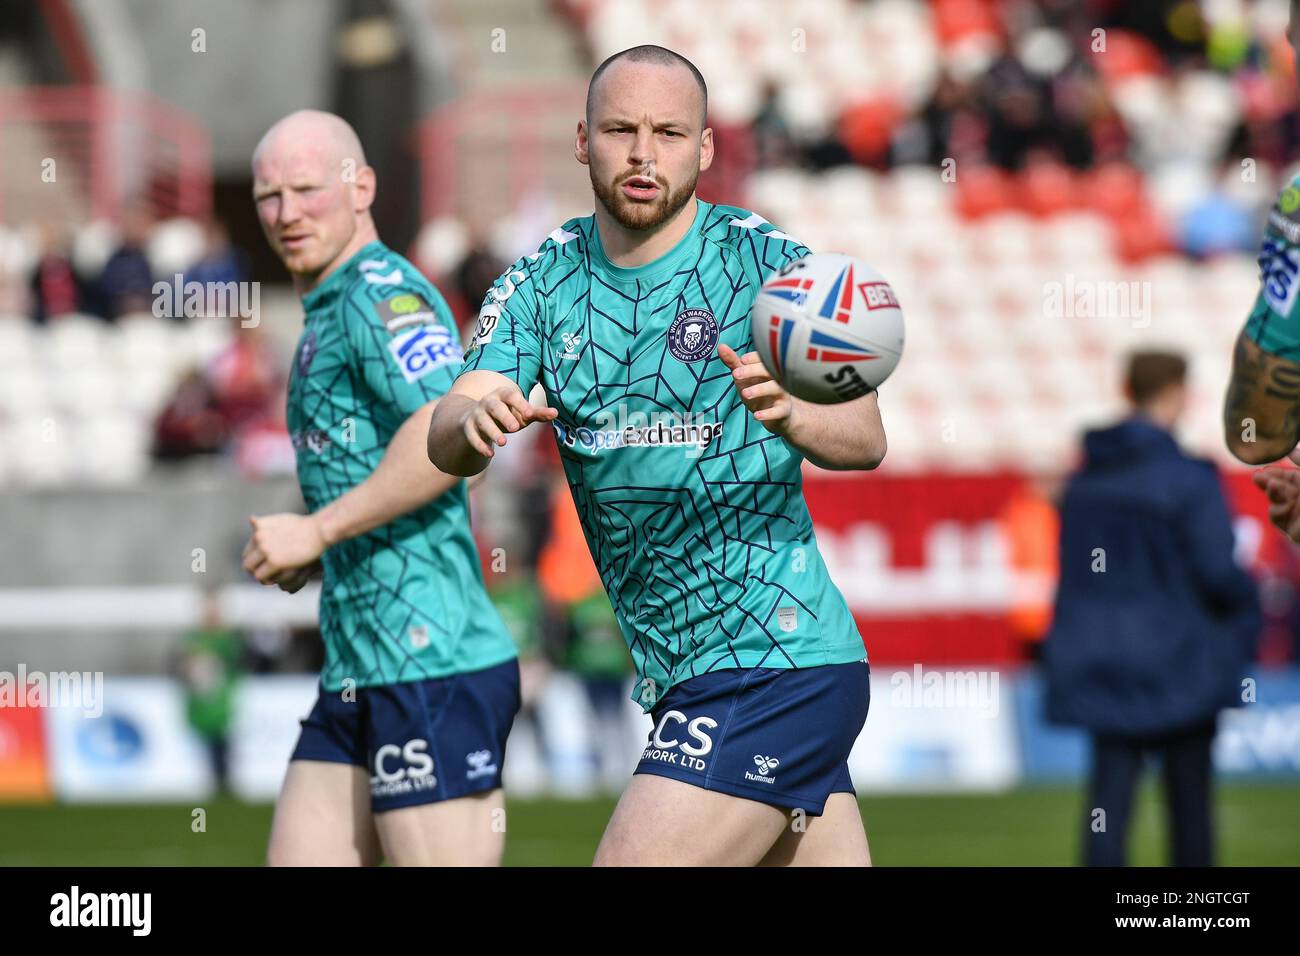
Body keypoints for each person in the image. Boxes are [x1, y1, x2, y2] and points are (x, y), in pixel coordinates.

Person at [427, 46, 887, 866]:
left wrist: (795, 417)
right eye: (621, 129)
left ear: (705, 149)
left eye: (670, 132)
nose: (644, 153)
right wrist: (474, 422)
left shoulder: (766, 266)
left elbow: (865, 437)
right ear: (582, 140)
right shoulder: (541, 280)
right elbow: (451, 425)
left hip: (773, 661)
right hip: (682, 677)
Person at [244, 110, 519, 866]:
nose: (286, 212)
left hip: (431, 663)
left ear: (361, 186)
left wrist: (319, 531)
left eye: (306, 188)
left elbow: (454, 434)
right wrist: (318, 546)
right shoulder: (330, 305)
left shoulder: (380, 296)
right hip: (359, 667)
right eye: (268, 195)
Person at [1046, 351, 1260, 866]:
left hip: (1102, 658)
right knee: (1189, 807)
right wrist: (1249, 598)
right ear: (1177, 393)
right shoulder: (1189, 479)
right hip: (1181, 658)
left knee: (1107, 804)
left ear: (1127, 390)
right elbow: (1217, 572)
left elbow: (1074, 574)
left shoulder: (1084, 482)